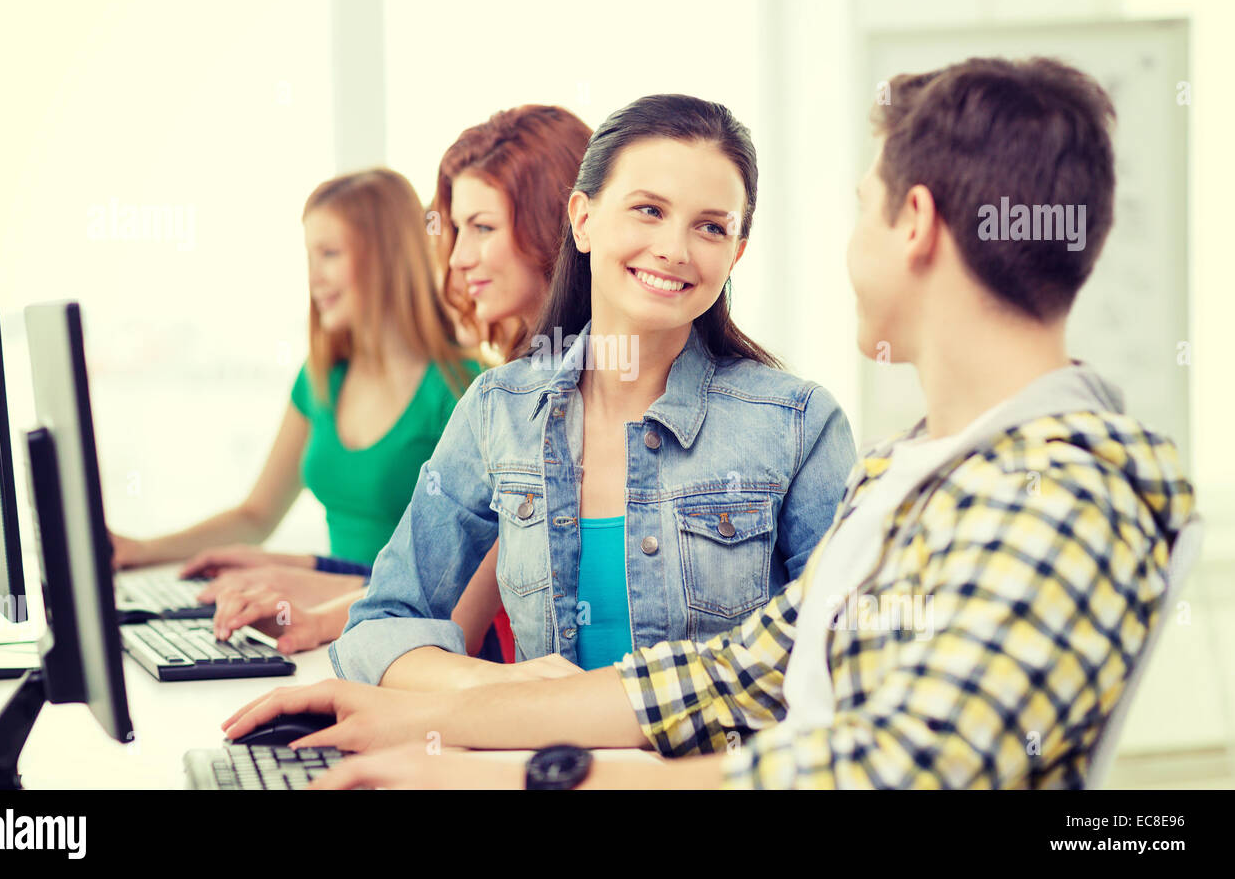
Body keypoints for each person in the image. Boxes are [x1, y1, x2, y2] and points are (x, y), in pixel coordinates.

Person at [224, 57, 1195, 789]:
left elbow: (880, 773)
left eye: (859, 208)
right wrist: (414, 719)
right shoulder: (925, 469)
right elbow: (729, 673)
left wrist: (512, 770)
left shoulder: (1057, 486)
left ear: (914, 225)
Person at [322, 93, 857, 692]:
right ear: (582, 219)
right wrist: (496, 687)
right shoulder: (499, 410)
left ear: (736, 253)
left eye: (710, 226)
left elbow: (847, 663)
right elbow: (380, 624)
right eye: (649, 210)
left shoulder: (799, 424)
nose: (675, 250)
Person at [204, 105, 593, 659]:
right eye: (456, 229)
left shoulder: (485, 388)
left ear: (559, 223)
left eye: (481, 228)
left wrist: (315, 612)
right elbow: (425, 589)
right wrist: (302, 592)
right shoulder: (505, 392)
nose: (456, 259)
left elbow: (459, 609)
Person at [109, 168, 480, 653]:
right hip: (339, 616)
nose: (314, 277)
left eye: (329, 254)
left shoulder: (461, 388)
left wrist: (300, 574)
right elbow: (256, 514)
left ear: (386, 258)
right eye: (310, 256)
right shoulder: (323, 376)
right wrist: (139, 550)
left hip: (400, 626)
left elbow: (464, 583)